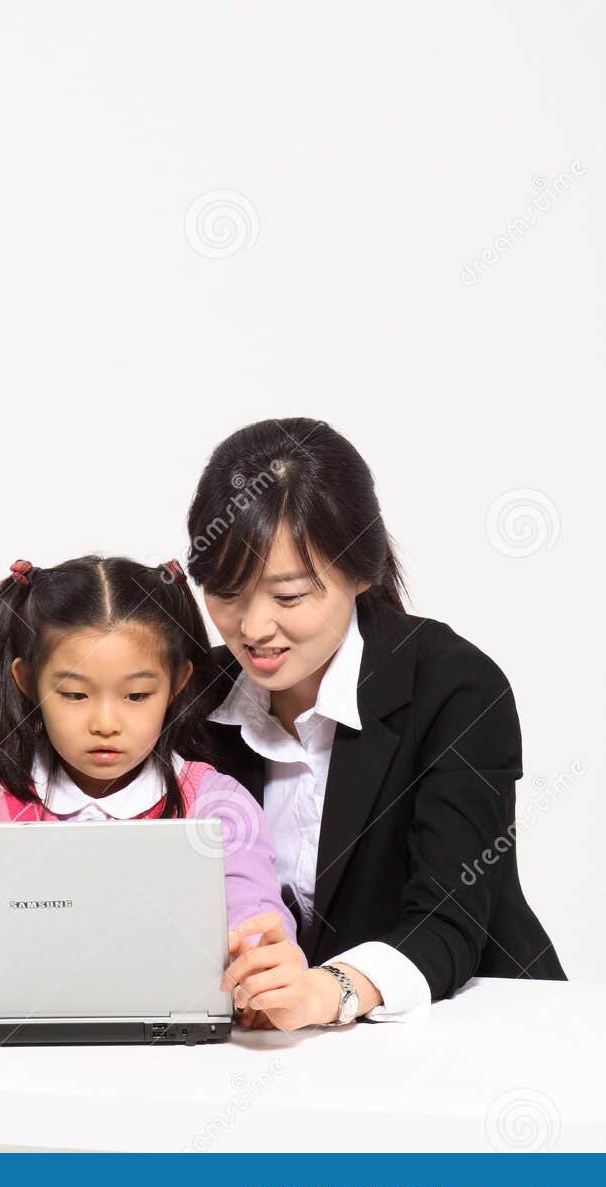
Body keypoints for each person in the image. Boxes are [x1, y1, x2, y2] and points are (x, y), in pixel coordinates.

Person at [187, 419, 565, 1032]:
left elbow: (448, 916)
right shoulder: (188, 696)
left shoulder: (455, 687)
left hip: (476, 1028)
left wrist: (326, 990)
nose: (253, 629)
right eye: (227, 593)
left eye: (288, 597)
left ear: (361, 570)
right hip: (275, 1053)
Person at [0, 553, 295, 947]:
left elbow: (255, 915)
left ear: (176, 684)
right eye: (75, 694)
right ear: (27, 681)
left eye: (136, 695)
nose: (106, 724)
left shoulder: (216, 807)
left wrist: (263, 960)